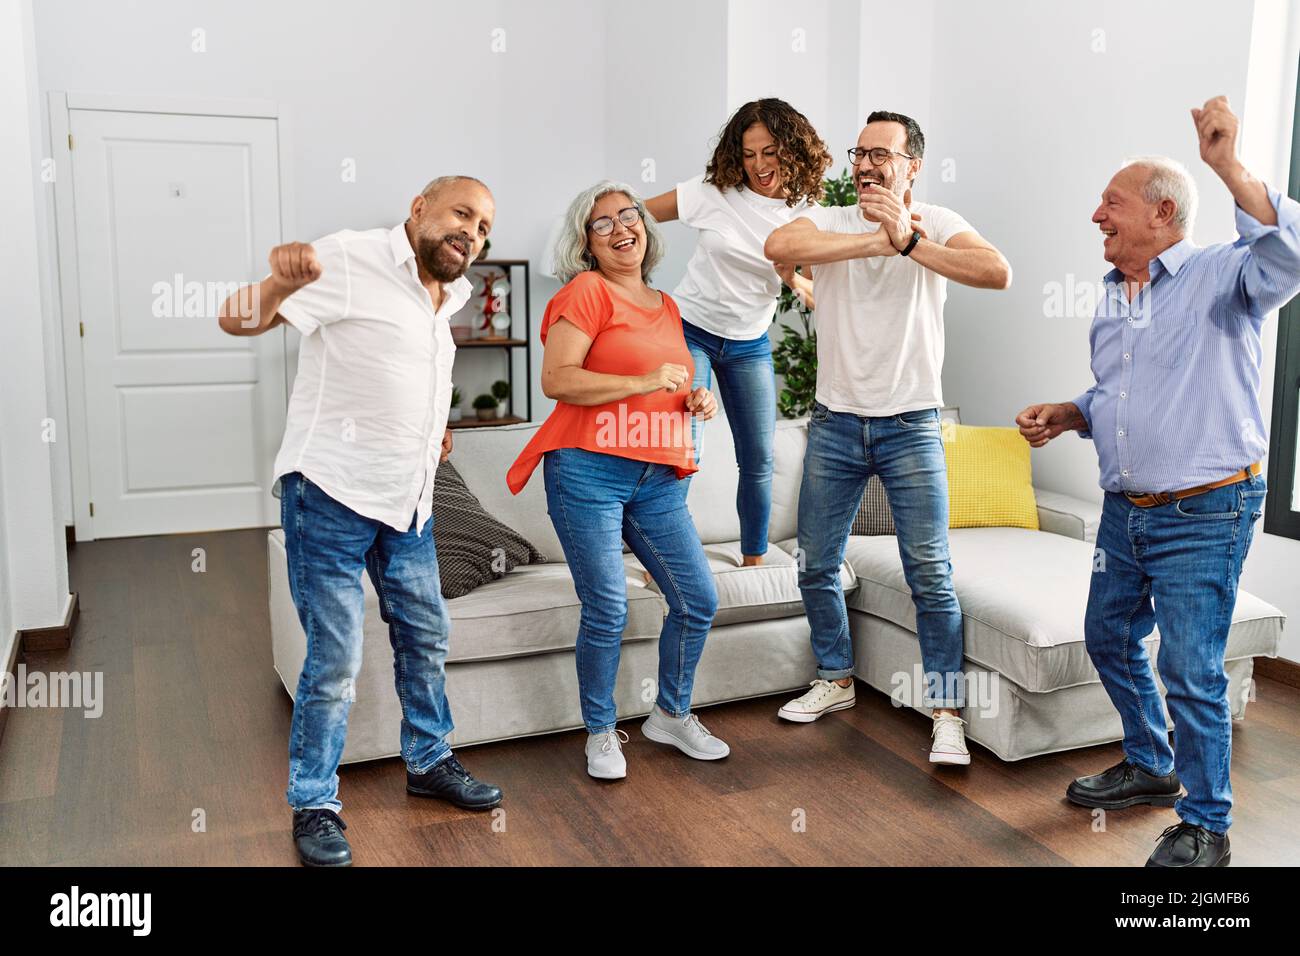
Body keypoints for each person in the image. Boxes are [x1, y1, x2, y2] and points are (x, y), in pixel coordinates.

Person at [1015, 96, 1300, 867]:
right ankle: (1150, 762)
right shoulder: (1113, 298)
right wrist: (1073, 412)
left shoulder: (1222, 275)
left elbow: (1292, 254)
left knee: (1190, 666)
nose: (1096, 214)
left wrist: (1229, 166)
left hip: (1207, 509)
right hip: (1126, 512)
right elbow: (1117, 394)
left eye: (1112, 201)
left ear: (1163, 212)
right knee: (1108, 635)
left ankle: (1206, 824)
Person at [218, 176, 504, 867]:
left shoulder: (453, 293)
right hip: (330, 495)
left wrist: (433, 431)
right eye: (463, 213)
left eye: (486, 226)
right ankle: (315, 803)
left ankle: (429, 763)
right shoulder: (351, 257)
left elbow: (405, 375)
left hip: (408, 504)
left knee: (427, 636)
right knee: (336, 657)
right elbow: (236, 318)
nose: (474, 231)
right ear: (419, 208)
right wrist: (280, 286)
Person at [764, 110, 1011, 764]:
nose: (868, 164)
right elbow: (779, 248)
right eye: (861, 152)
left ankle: (946, 711)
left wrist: (908, 243)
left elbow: (996, 272)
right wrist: (874, 243)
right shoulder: (831, 217)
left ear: (912, 165)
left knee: (930, 573)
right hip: (835, 424)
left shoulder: (939, 220)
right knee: (816, 562)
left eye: (883, 154)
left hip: (912, 426)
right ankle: (837, 678)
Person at [506, 181, 727, 780]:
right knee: (607, 606)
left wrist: (697, 398)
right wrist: (641, 382)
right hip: (588, 470)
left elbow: (672, 383)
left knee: (698, 599)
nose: (620, 227)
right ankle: (602, 732)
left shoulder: (667, 305)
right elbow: (558, 379)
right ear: (587, 244)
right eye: (601, 224)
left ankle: (672, 714)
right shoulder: (586, 292)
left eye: (629, 216)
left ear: (646, 230)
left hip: (657, 477)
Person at [644, 99, 831, 565]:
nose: (759, 165)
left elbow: (811, 281)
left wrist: (795, 279)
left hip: (749, 343)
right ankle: (664, 560)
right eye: (748, 154)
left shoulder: (808, 211)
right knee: (681, 449)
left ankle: (753, 559)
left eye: (769, 152)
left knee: (759, 458)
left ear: (792, 149)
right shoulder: (713, 193)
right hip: (690, 331)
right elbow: (637, 216)